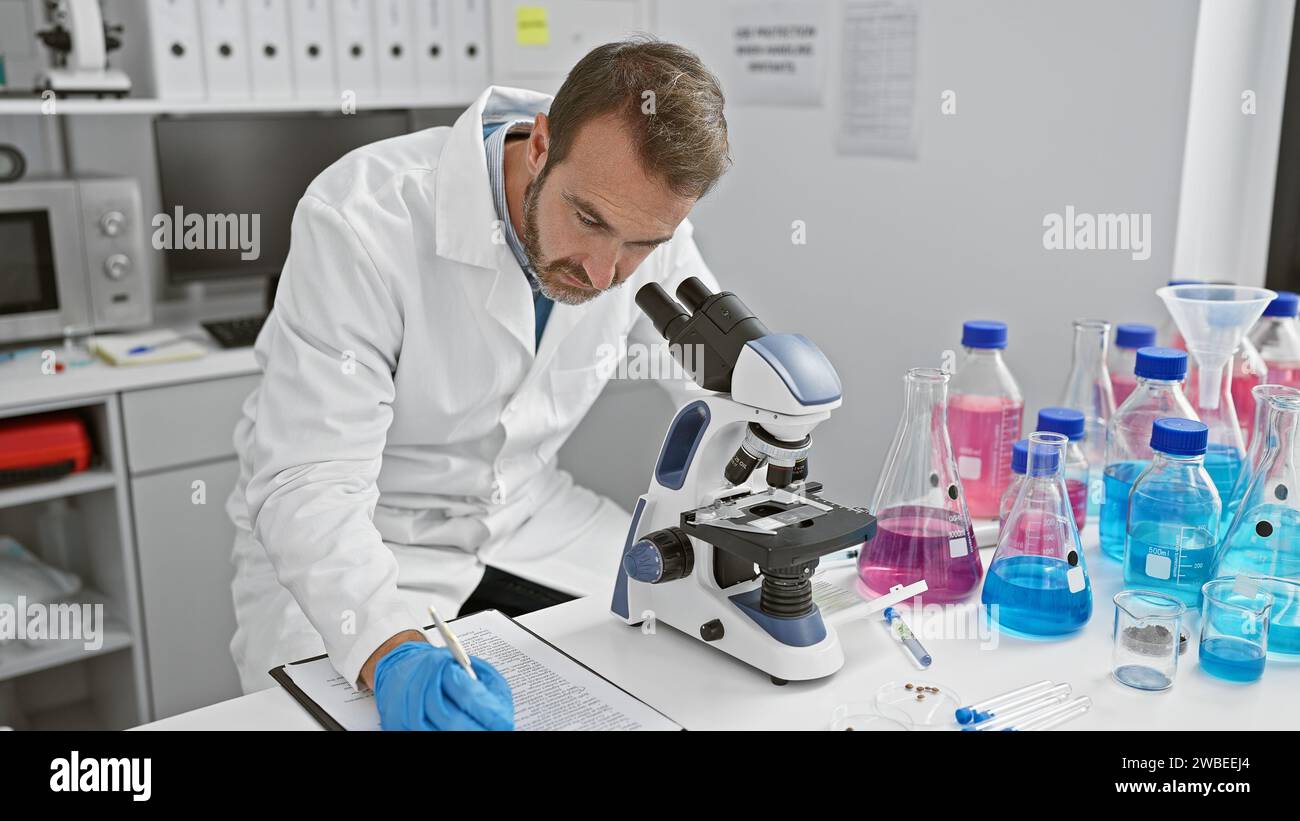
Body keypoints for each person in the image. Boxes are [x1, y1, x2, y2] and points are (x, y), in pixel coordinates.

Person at [225, 38, 731, 730]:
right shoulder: (363, 217)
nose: (605, 270)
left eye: (642, 244)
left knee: (688, 644)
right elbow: (308, 480)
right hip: (366, 526)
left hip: (527, 513)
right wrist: (390, 646)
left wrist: (766, 437)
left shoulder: (638, 218)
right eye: (588, 220)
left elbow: (715, 382)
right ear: (540, 144)